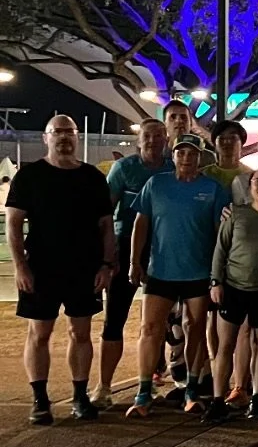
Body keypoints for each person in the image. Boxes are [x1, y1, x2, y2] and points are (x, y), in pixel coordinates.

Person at [6, 114, 115, 425]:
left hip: (84, 267)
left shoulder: (93, 177)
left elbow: (106, 225)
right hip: (41, 267)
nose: (64, 137)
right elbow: (14, 225)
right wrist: (21, 266)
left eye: (69, 132)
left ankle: (80, 396)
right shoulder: (29, 177)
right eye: (57, 132)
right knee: (39, 333)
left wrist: (107, 265)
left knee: (80, 332)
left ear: (77, 137)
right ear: (46, 137)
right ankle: (40, 400)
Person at [126, 133, 229, 415]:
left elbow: (223, 232)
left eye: (192, 153)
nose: (186, 158)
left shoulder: (213, 188)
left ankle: (192, 390)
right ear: (173, 155)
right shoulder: (156, 184)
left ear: (200, 157)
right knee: (149, 329)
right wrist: (135, 262)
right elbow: (141, 223)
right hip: (160, 271)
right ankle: (144, 392)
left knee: (194, 329)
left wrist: (219, 273)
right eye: (181, 153)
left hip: (198, 271)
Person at [98, 119, 170, 409]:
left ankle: (155, 375)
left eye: (158, 136)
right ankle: (103, 386)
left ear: (167, 139)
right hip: (123, 250)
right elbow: (104, 213)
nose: (153, 140)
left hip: (163, 253)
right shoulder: (124, 168)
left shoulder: (171, 168)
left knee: (158, 321)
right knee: (114, 318)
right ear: (140, 140)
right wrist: (107, 256)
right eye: (148, 136)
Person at [208, 163, 258, 422]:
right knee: (225, 345)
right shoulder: (236, 215)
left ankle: (256, 398)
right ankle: (218, 400)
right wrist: (216, 282)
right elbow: (221, 249)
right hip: (233, 287)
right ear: (249, 187)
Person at [202, 120, 248, 193]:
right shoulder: (203, 175)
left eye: (233, 138)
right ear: (215, 144)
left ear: (242, 142)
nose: (227, 142)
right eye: (221, 138)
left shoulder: (250, 175)